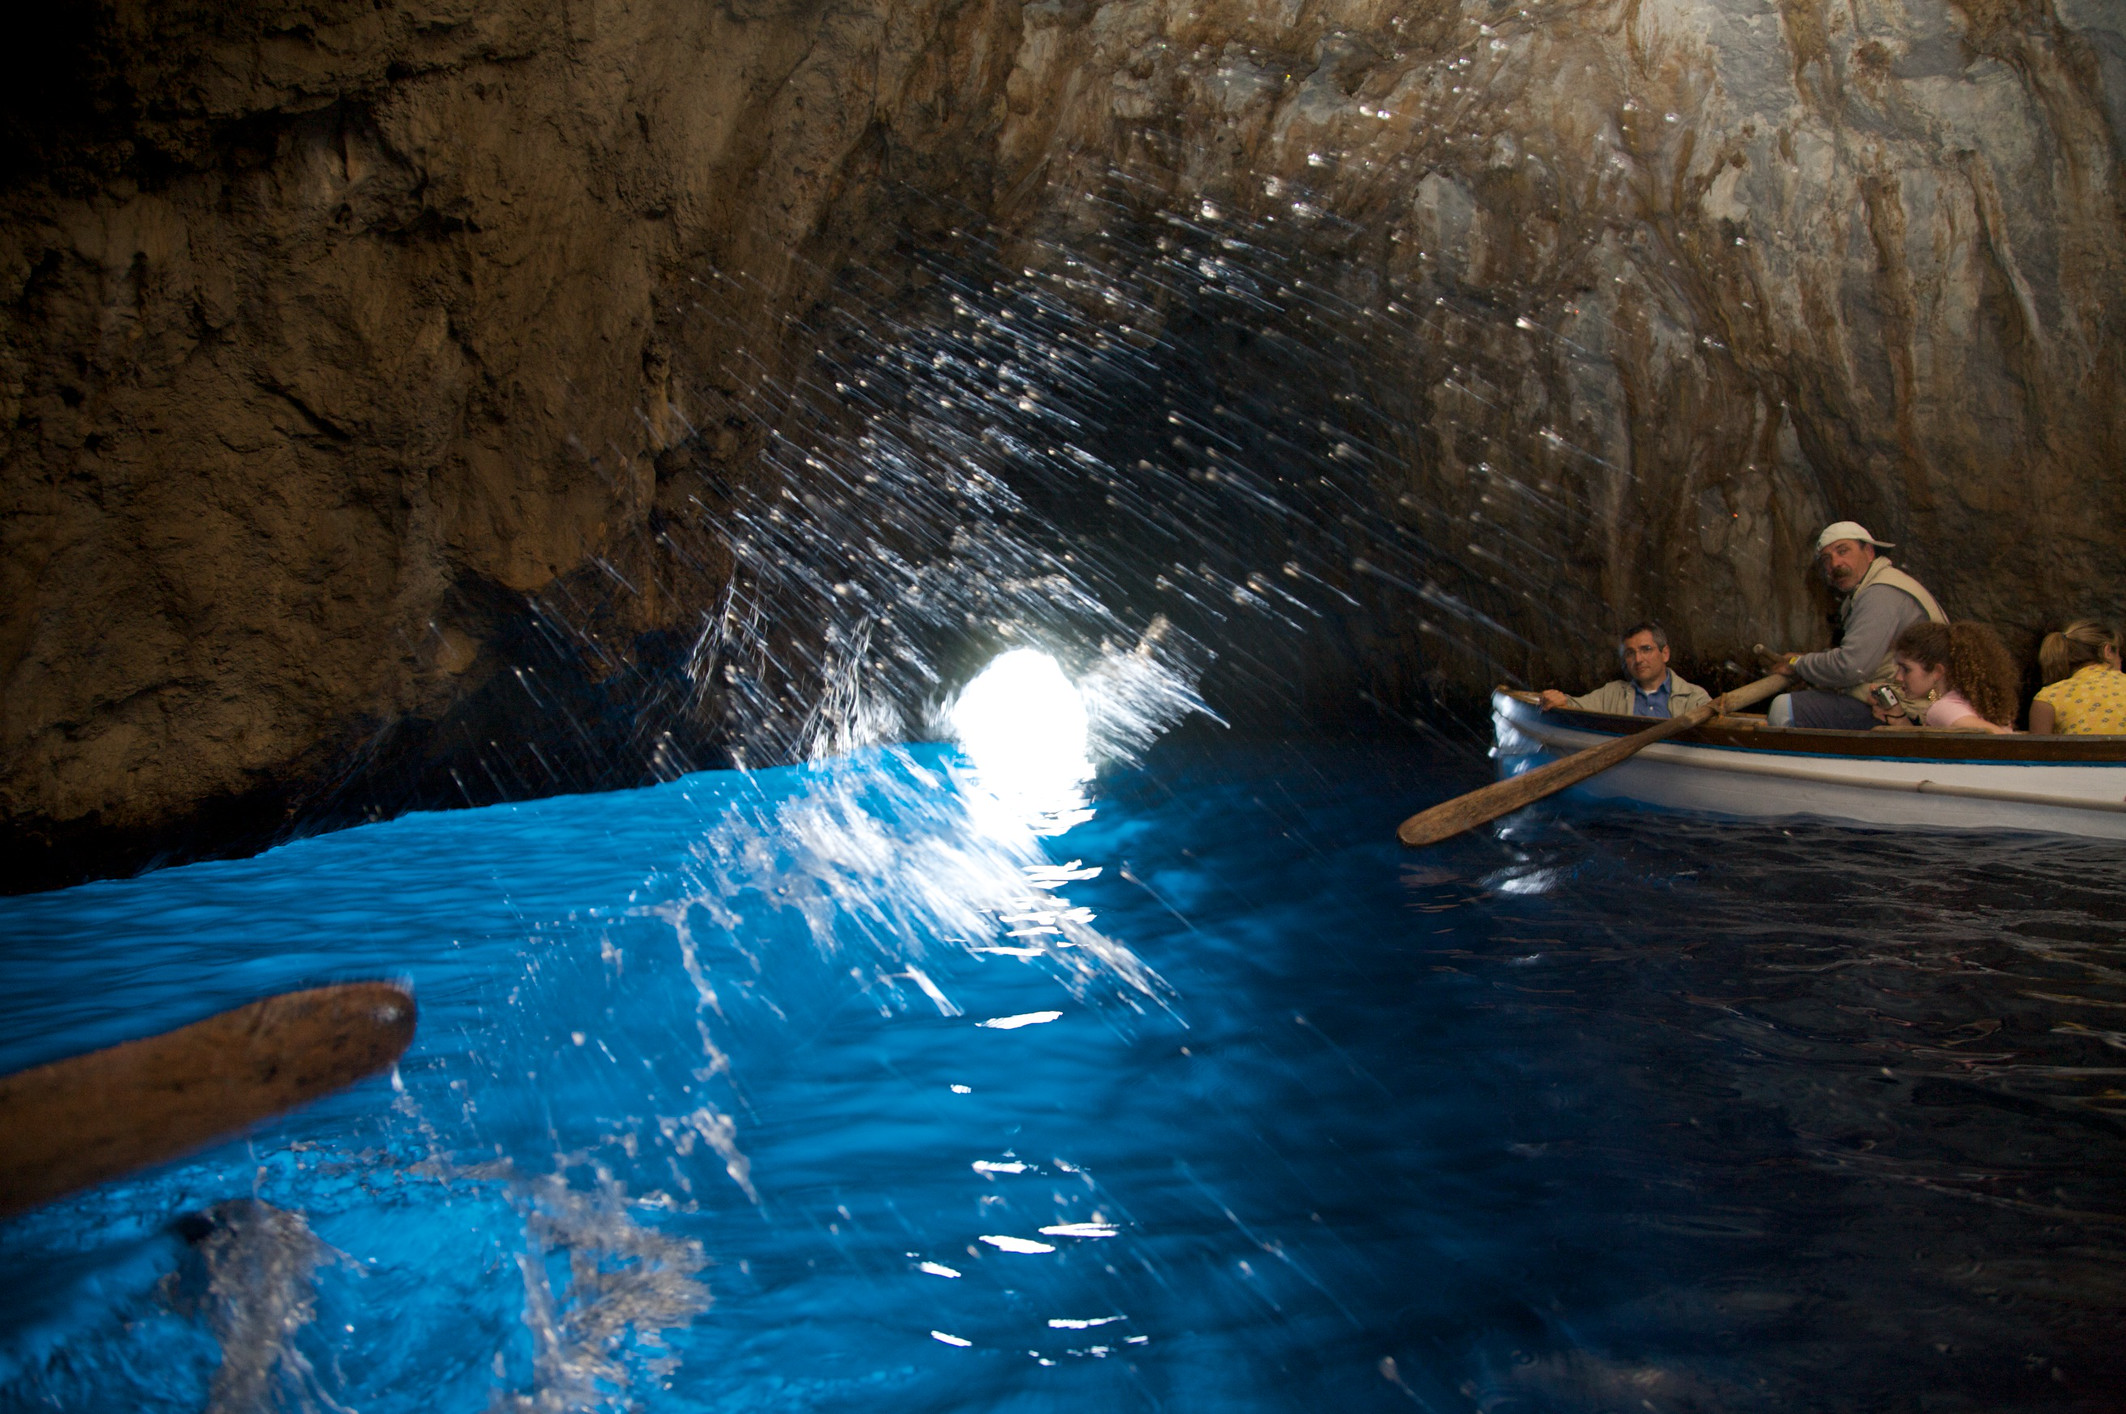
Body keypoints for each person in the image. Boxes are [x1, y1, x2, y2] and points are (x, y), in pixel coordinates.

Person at [1762, 521, 1945, 729]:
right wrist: (1808, 668)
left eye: (1843, 551)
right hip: (1904, 701)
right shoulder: (1873, 589)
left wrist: (1798, 665)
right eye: (1826, 559)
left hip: (1910, 711)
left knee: (1784, 708)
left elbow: (1852, 668)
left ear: (1868, 552)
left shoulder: (1880, 593)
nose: (1835, 564)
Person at [1538, 622, 1712, 718]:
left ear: (1665, 653)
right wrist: (1557, 699)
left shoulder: (1694, 698)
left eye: (1646, 649)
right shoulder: (1612, 693)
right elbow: (1575, 707)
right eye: (1630, 653)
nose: (1638, 659)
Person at [1870, 621, 2016, 732]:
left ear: (1937, 672)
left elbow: (2000, 741)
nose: (1898, 677)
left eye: (1906, 669)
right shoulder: (1967, 699)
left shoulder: (1943, 708)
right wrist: (1898, 718)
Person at [2030, 621, 2126, 735]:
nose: (2121, 661)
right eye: (2119, 654)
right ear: (2107, 651)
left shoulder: (2048, 698)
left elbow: (2038, 750)